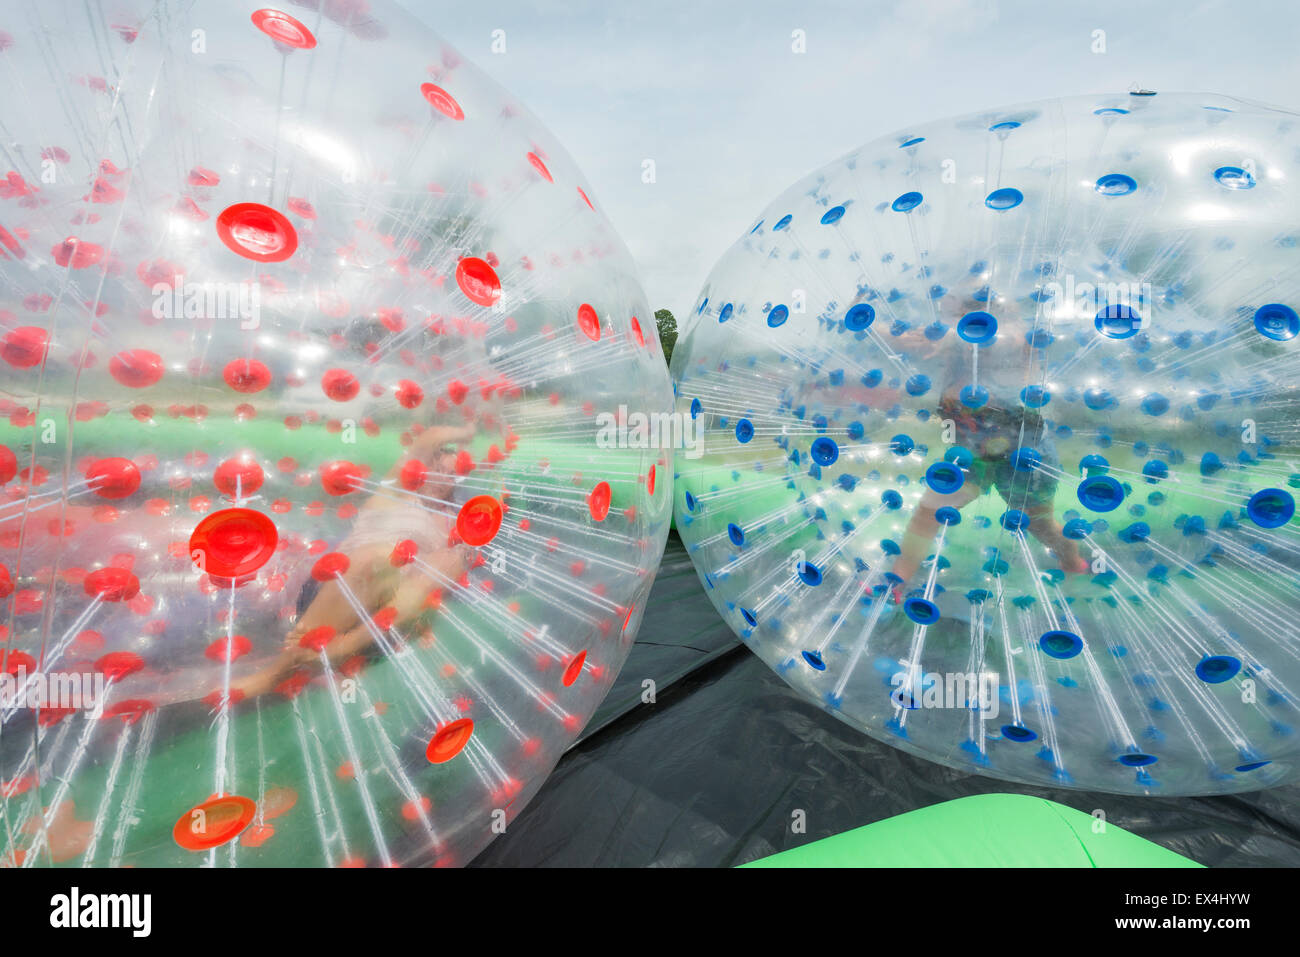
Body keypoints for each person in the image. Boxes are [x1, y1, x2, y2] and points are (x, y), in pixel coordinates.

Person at [887, 297, 1088, 595]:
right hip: (970, 457)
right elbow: (903, 339)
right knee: (927, 513)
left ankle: (1073, 562)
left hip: (1024, 457)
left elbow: (1014, 337)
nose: (971, 336)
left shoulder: (1014, 357)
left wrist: (972, 331)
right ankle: (897, 582)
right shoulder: (954, 356)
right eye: (964, 322)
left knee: (1040, 525)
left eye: (980, 324)